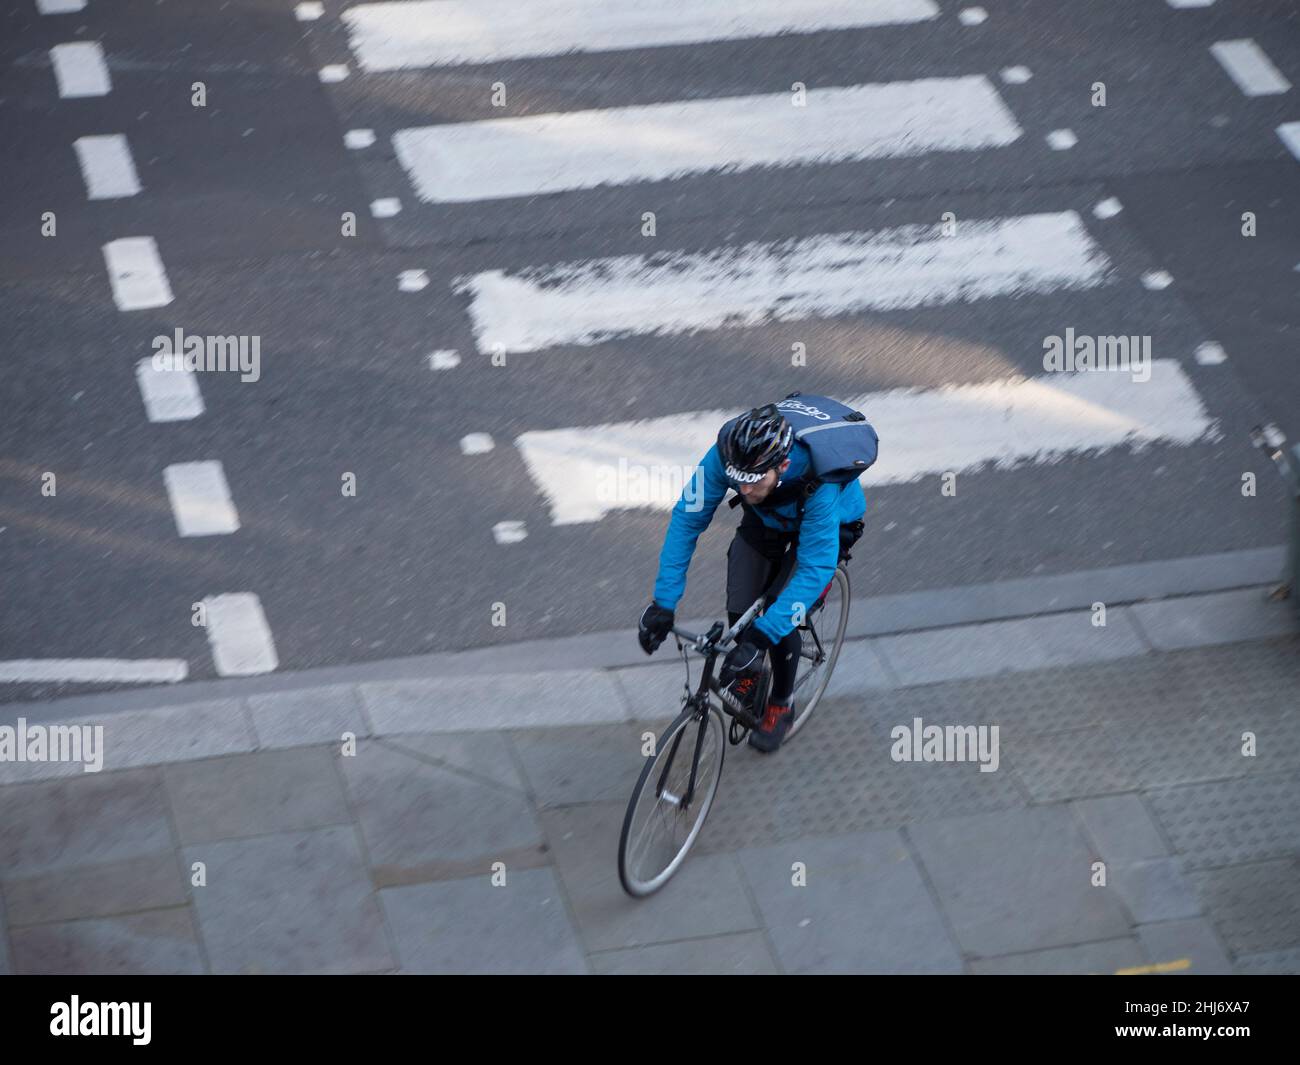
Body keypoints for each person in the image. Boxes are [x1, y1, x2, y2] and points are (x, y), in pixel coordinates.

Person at [637, 402, 867, 752]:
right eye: (738, 481)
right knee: (740, 608)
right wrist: (663, 603)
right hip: (768, 519)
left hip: (829, 527)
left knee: (779, 616)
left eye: (753, 481)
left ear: (783, 465)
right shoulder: (725, 458)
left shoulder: (818, 481)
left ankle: (782, 703)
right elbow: (687, 520)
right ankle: (752, 670)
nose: (743, 491)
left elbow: (814, 569)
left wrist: (761, 638)